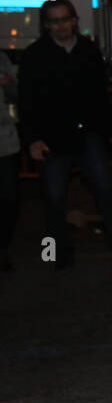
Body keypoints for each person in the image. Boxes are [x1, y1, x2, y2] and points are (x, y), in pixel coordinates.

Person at [19, 0, 112, 267]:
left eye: (66, 19)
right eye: (56, 21)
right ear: (47, 25)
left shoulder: (87, 50)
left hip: (88, 133)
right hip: (52, 137)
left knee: (106, 191)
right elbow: (27, 101)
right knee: (55, 198)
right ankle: (60, 254)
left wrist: (106, 131)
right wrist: (33, 139)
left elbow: (100, 95)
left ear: (74, 20)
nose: (62, 26)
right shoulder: (36, 55)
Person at [0, 49, 18, 272]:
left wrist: (8, 84)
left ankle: (3, 247)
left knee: (9, 198)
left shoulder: (2, 59)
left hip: (4, 144)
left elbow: (16, 95)